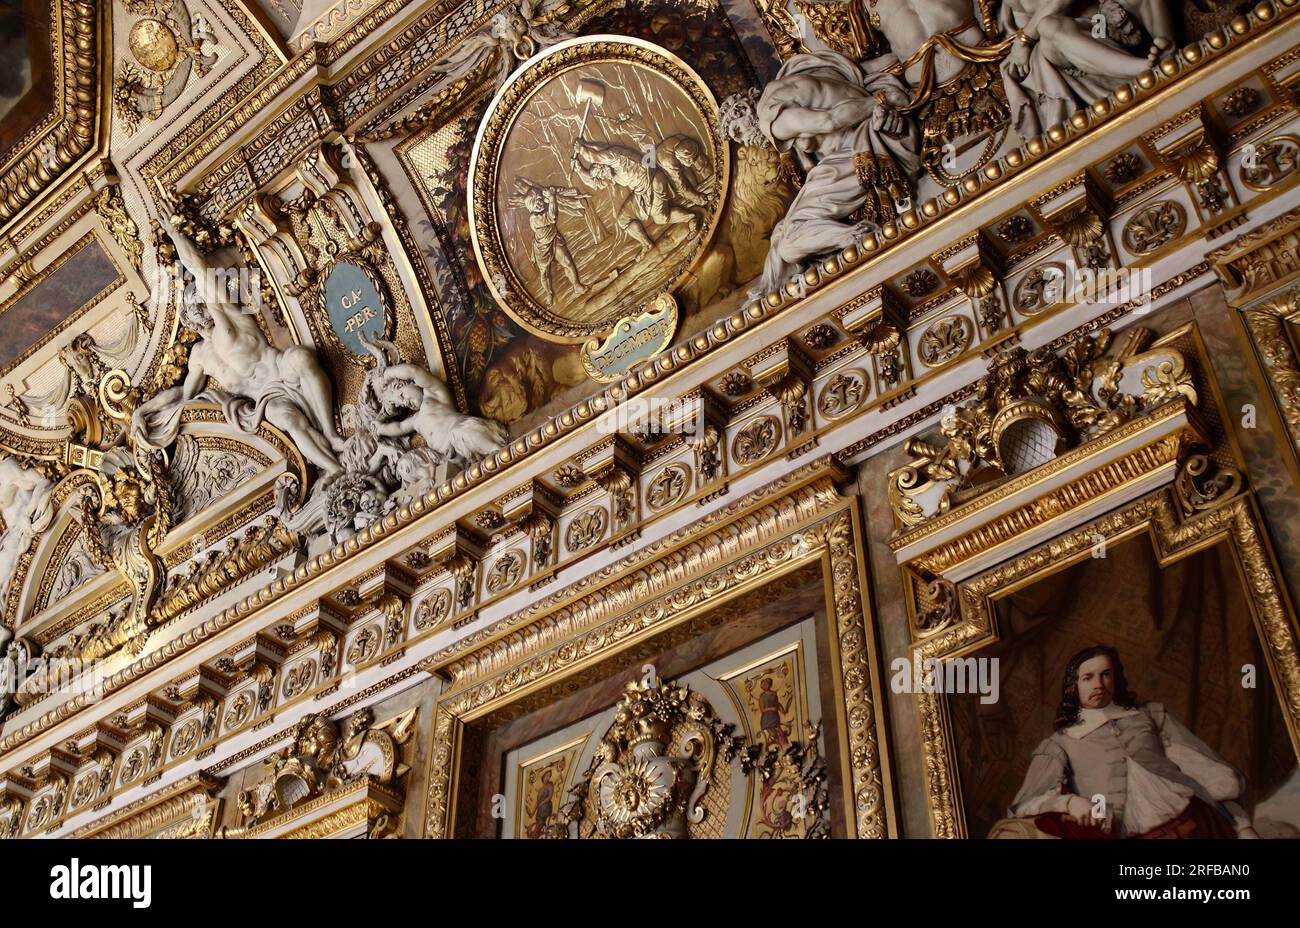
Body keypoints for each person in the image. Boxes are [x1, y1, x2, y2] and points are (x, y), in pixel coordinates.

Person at [1007, 645, 1259, 838]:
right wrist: (1071, 802)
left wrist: (1242, 824)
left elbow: (1204, 770)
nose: (1099, 684)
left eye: (1106, 674)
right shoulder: (1059, 744)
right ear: (1073, 686)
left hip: (1199, 823)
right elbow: (1024, 804)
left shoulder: (1150, 715)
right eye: (1088, 677)